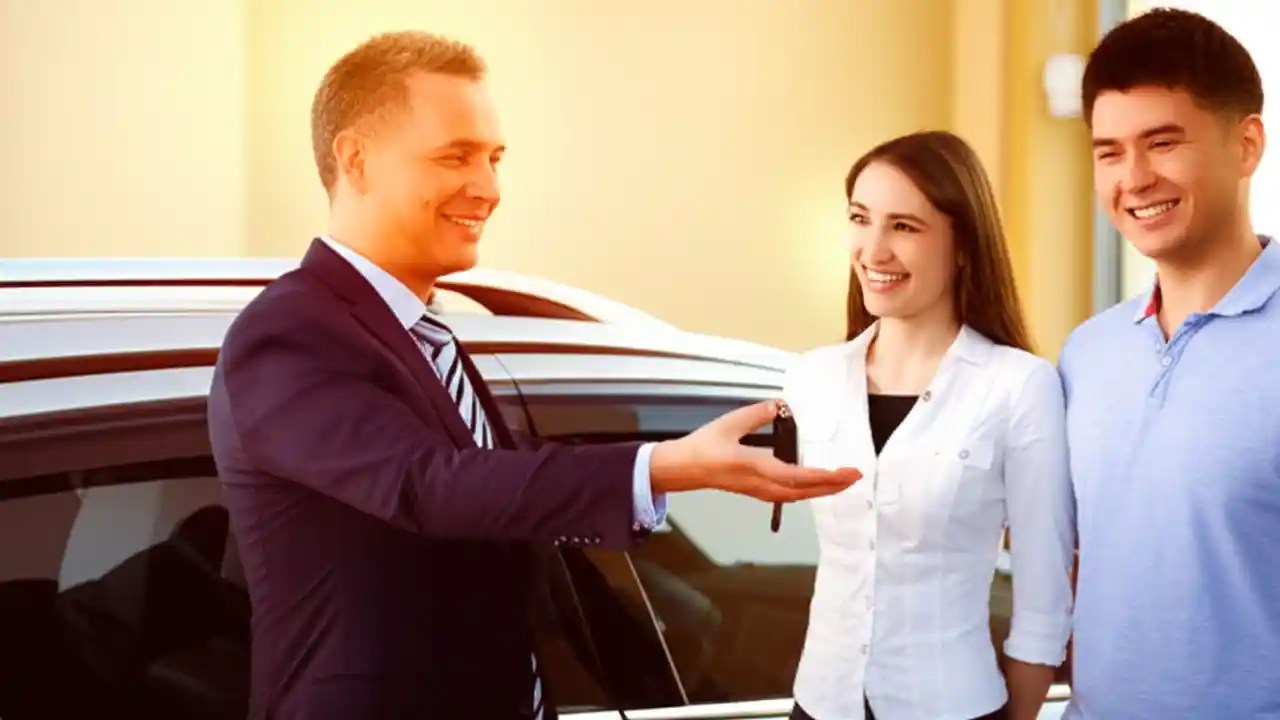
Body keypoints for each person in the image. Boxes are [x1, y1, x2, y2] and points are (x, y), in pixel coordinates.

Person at [205, 31, 860, 720]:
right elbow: (429, 485)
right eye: (454, 157)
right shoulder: (288, 334)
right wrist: (666, 466)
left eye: (494, 158)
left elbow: (505, 501)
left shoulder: (424, 335)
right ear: (356, 158)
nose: (487, 188)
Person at [784, 131, 1076, 720]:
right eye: (860, 219)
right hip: (818, 704)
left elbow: (1044, 603)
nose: (873, 249)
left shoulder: (1019, 386)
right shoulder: (810, 380)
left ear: (964, 245)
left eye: (904, 227)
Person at [1060, 8, 1279, 719]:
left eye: (1163, 142)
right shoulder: (1086, 354)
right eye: (1109, 152)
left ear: (1247, 144)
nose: (1135, 177)